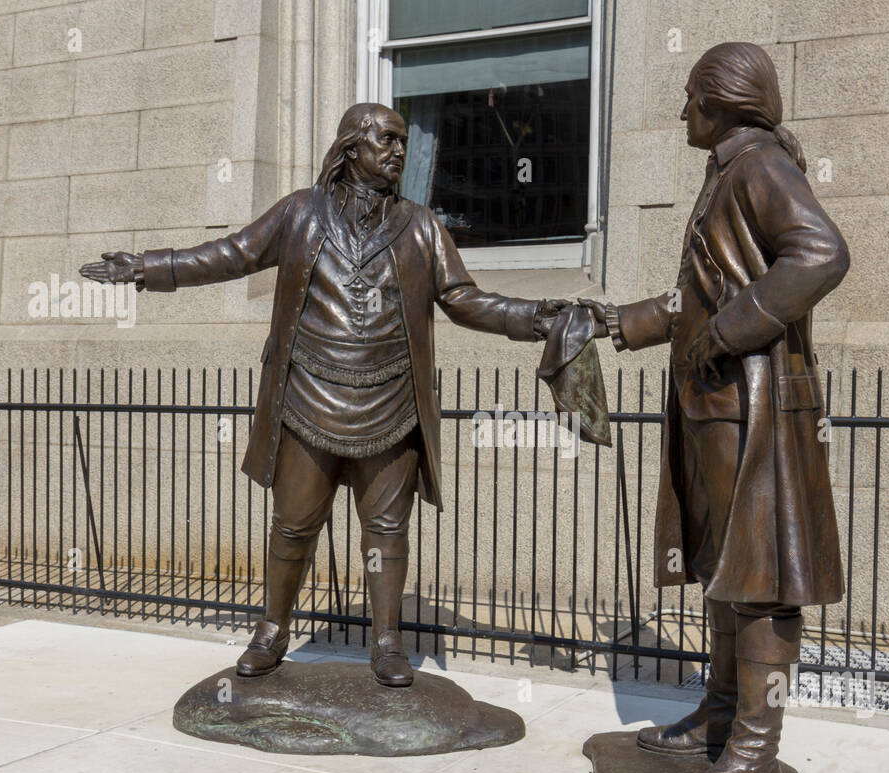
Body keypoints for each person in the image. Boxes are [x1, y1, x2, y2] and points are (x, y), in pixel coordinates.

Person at [81, 103, 571, 688]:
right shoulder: (301, 213)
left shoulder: (420, 226)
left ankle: (387, 639)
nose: (397, 153)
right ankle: (272, 629)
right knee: (292, 525)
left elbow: (464, 298)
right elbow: (233, 254)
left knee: (387, 530)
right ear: (350, 147)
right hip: (308, 396)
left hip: (392, 402)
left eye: (403, 144)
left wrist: (534, 315)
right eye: (386, 140)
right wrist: (148, 266)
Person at [578, 42, 849, 773]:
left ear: (726, 102)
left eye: (693, 95)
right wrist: (612, 322)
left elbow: (823, 254)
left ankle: (753, 762)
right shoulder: (727, 171)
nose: (682, 109)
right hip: (718, 410)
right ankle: (723, 718)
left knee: (760, 583)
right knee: (730, 572)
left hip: (752, 410)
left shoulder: (760, 165)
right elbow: (691, 297)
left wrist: (731, 329)